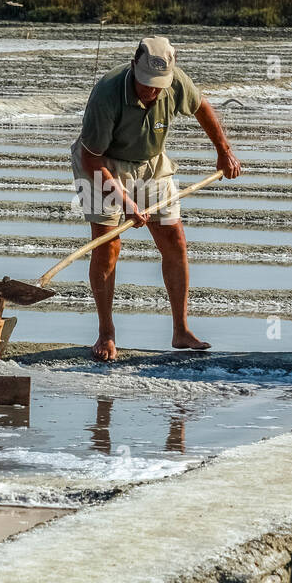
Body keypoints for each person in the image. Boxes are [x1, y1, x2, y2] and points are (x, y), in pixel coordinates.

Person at [71, 36, 241, 361]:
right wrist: (126, 202)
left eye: (158, 86)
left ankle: (181, 330)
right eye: (146, 84)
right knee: (107, 247)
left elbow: (201, 106)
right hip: (103, 163)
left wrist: (224, 152)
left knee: (174, 240)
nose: (152, 91)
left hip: (151, 161)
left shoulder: (175, 82)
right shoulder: (106, 95)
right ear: (134, 66)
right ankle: (106, 334)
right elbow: (92, 160)